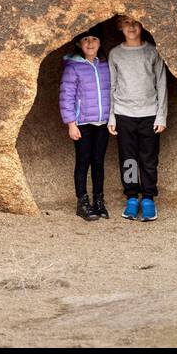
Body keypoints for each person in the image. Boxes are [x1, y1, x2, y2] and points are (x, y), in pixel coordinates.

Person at [108, 16, 167, 221]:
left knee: (149, 159)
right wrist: (111, 117)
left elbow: (161, 84)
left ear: (142, 26)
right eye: (126, 23)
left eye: (135, 23)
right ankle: (132, 197)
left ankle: (148, 198)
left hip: (149, 114)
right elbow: (111, 86)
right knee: (129, 159)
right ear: (120, 28)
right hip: (124, 114)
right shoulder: (115, 54)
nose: (131, 27)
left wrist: (161, 115)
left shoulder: (152, 51)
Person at [58, 28, 112, 221]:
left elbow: (112, 92)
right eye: (85, 40)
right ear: (79, 44)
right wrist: (71, 123)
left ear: (100, 43)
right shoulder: (73, 67)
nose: (90, 43)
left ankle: (99, 201)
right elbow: (66, 96)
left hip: (102, 122)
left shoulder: (105, 65)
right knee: (83, 162)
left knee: (98, 162)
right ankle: (82, 202)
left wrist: (112, 119)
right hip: (82, 123)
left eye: (94, 39)